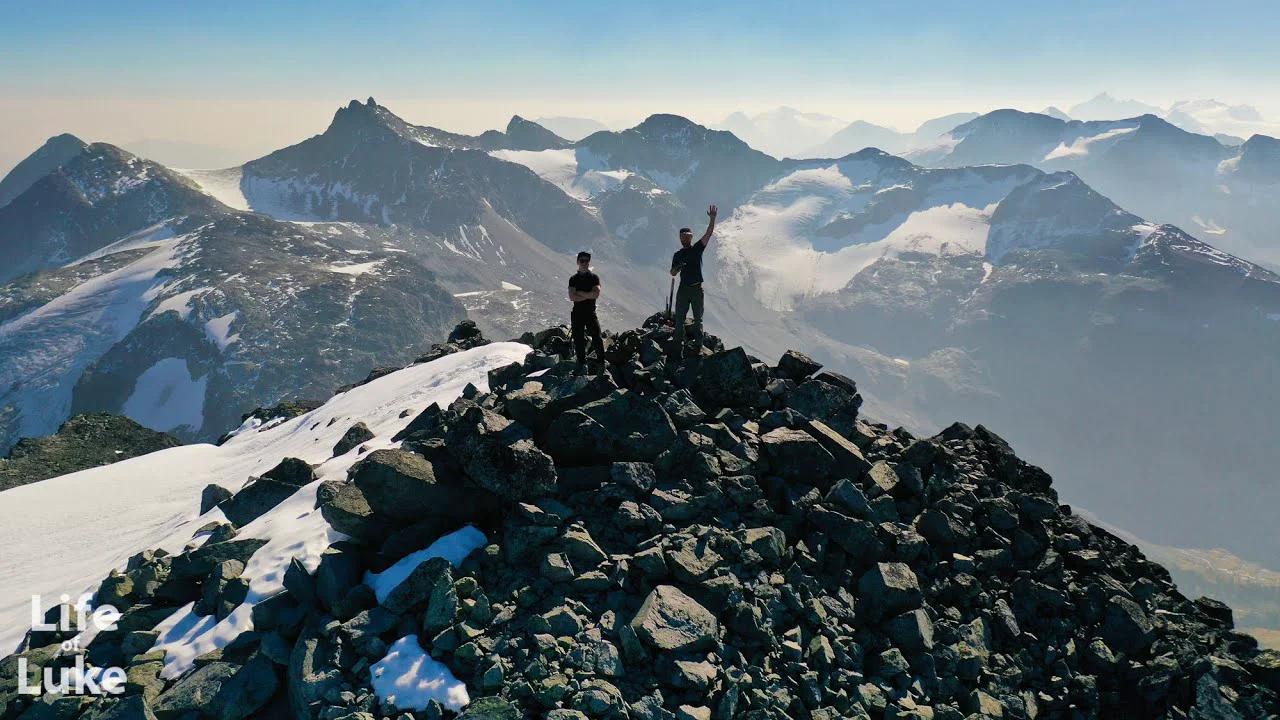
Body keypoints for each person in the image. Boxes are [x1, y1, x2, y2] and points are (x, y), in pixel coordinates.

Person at [669, 204, 717, 360]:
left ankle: (697, 348)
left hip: (696, 289)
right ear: (680, 238)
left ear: (690, 237)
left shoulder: (697, 248)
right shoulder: (678, 255)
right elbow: (672, 273)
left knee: (698, 320)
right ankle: (678, 350)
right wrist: (678, 266)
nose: (685, 238)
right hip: (684, 290)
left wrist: (712, 219)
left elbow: (709, 234)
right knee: (680, 320)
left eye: (687, 236)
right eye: (683, 236)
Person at [567, 250, 605, 375]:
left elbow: (596, 294)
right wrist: (588, 295)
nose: (584, 263)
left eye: (586, 261)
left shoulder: (594, 278)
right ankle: (581, 364)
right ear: (578, 262)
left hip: (590, 313)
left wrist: (580, 294)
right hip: (577, 313)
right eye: (582, 260)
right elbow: (572, 297)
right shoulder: (573, 279)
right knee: (578, 339)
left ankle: (601, 363)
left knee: (597, 337)